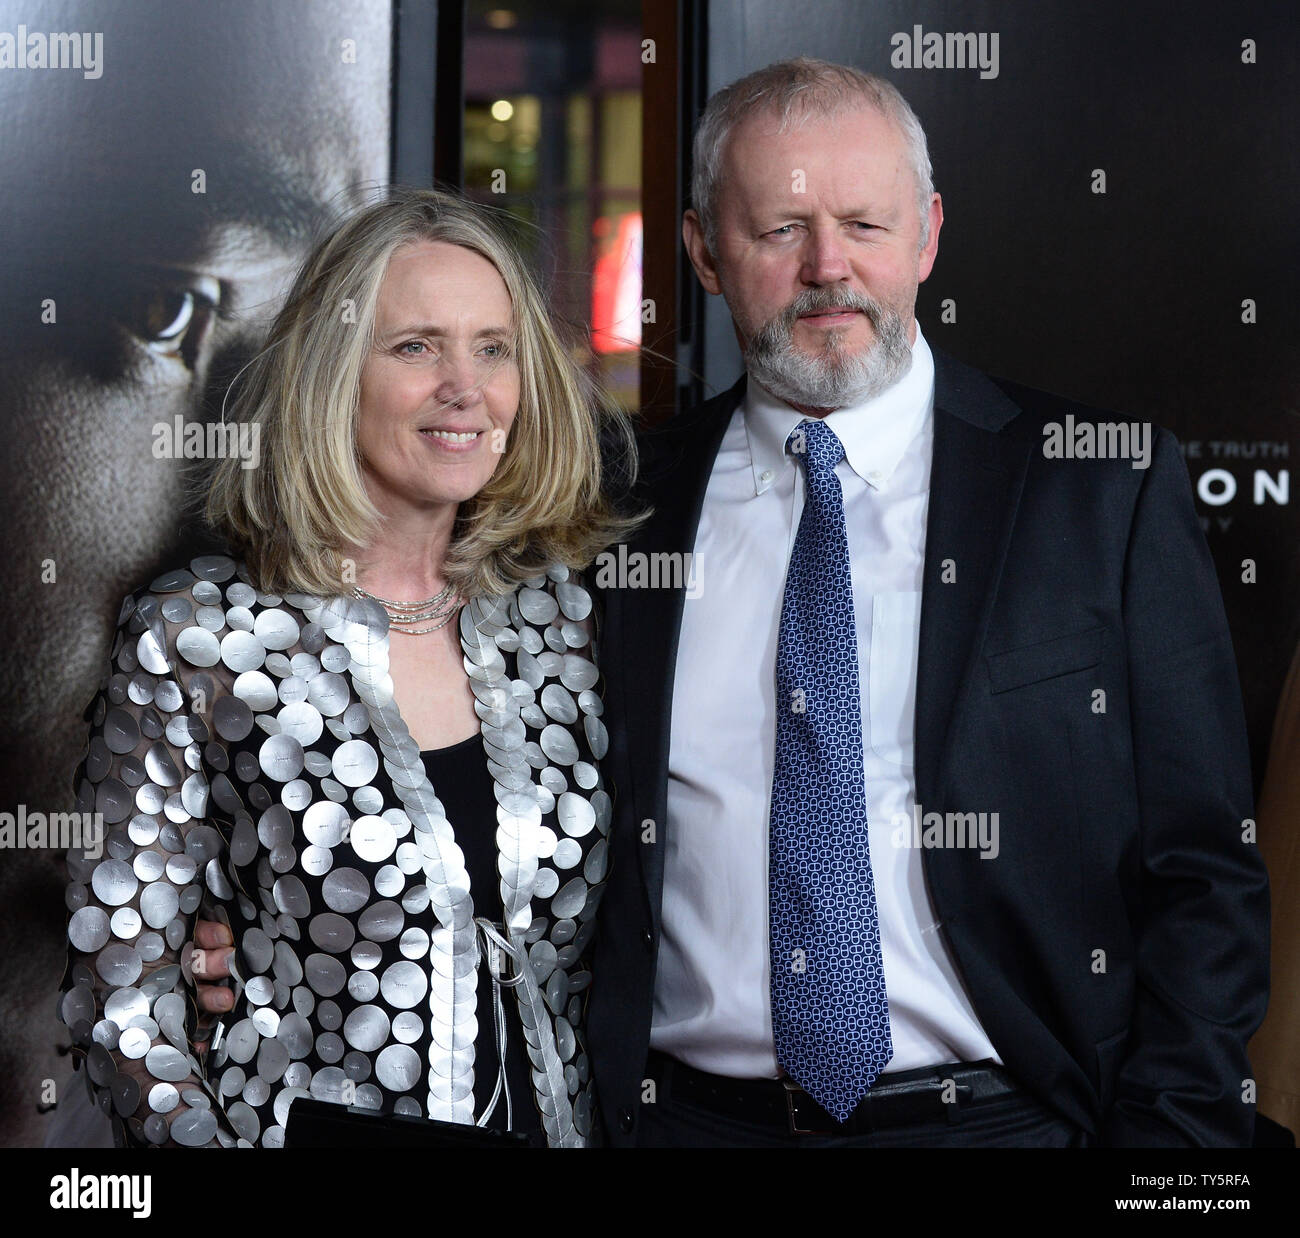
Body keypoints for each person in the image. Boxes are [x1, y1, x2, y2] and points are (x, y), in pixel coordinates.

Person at [582, 58, 1268, 1146]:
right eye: (778, 232)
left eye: (864, 222)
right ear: (705, 250)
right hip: (685, 1122)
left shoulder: (1098, 486)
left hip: (1006, 1120)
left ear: (928, 235)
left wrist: (1169, 1149)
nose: (828, 268)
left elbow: (1202, 865)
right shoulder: (613, 508)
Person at [55, 187, 639, 1147]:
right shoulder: (202, 640)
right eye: (416, 346)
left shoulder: (567, 620)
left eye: (494, 348)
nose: (467, 385)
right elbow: (122, 992)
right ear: (336, 373)